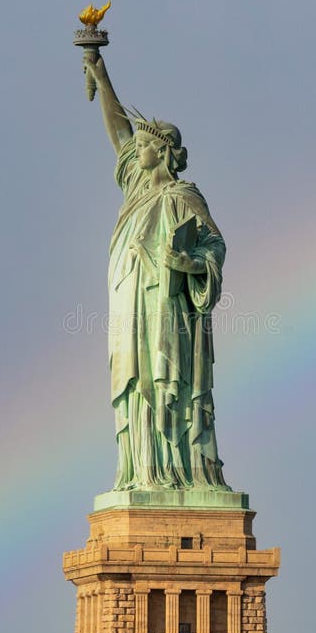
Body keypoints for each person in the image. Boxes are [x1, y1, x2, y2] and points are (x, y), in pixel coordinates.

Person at [83, 51, 230, 491]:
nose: (137, 150)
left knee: (164, 382)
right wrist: (100, 71)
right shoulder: (136, 188)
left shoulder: (184, 197)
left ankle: (176, 470)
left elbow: (215, 245)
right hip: (130, 304)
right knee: (135, 386)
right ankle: (140, 470)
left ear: (162, 152)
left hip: (167, 307)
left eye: (146, 145)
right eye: (140, 145)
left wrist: (187, 263)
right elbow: (119, 134)